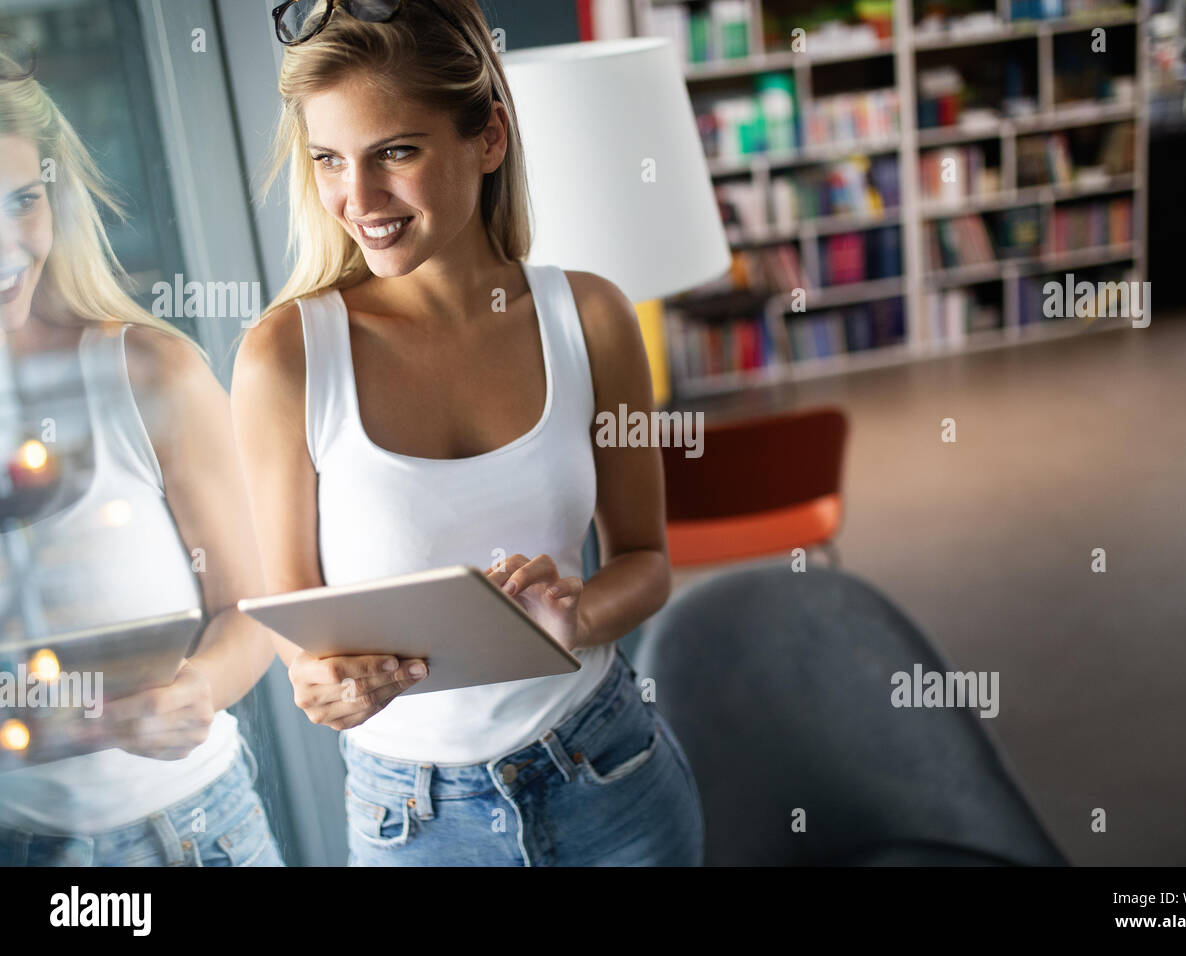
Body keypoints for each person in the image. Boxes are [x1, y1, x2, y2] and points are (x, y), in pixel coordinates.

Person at [232, 0, 704, 865]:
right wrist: (317, 680)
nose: (358, 199)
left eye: (396, 152)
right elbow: (292, 617)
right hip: (411, 818)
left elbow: (646, 561)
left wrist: (578, 612)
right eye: (330, 159)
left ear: (488, 138)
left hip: (608, 769)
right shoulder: (284, 358)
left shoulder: (592, 318)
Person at [0, 50, 282, 866]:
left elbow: (252, 607)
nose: (8, 245)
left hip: (192, 834)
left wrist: (196, 691)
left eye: (23, 200)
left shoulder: (150, 371)